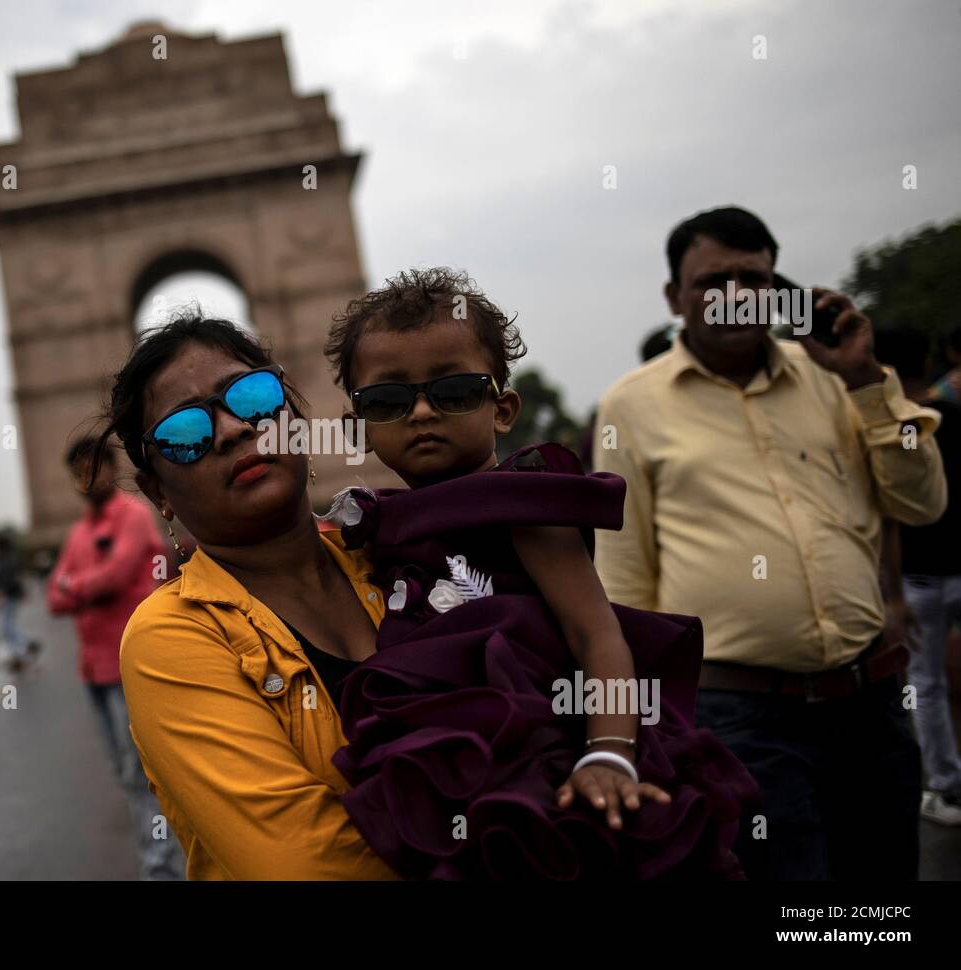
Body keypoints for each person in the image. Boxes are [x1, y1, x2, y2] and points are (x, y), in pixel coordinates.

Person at [319, 268, 756, 880]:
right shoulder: (378, 525)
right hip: (457, 765)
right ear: (359, 426)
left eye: (454, 391)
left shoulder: (524, 503)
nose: (421, 411)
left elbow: (596, 633)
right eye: (389, 401)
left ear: (502, 411)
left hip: (557, 749)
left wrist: (610, 752)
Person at [594, 206, 947, 880]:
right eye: (711, 282)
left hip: (869, 698)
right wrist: (641, 730)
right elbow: (626, 581)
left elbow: (921, 503)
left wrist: (868, 383)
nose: (734, 296)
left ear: (778, 286)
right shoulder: (631, 406)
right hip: (739, 716)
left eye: (751, 278)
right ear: (675, 298)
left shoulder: (841, 378)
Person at [106, 313, 398, 880]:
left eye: (253, 396)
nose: (233, 429)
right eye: (185, 434)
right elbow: (304, 865)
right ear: (157, 490)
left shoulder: (396, 557)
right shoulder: (168, 640)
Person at [47, 437, 186, 879]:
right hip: (95, 671)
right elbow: (53, 596)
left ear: (111, 468)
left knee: (144, 775)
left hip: (134, 666)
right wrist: (81, 587)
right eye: (78, 471)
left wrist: (76, 586)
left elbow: (116, 575)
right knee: (127, 775)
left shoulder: (133, 517)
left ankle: (161, 868)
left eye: (93, 467)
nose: (85, 478)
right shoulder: (79, 533)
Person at [877, 328, 961, 825]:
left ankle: (947, 788)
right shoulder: (950, 415)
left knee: (926, 684)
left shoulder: (888, 428)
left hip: (921, 579)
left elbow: (890, 515)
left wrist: (891, 593)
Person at [0, 533, 39, 672]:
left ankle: (20, 652)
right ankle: (24, 647)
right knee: (8, 627)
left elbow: (6, 581)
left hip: (8, 596)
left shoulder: (3, 561)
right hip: (12, 595)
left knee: (7, 628)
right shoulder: (11, 558)